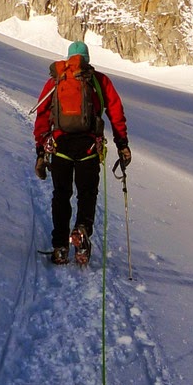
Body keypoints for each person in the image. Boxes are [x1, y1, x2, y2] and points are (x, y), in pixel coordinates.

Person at [33, 41, 131, 265]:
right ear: (87, 58)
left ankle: (60, 247)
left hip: (60, 146)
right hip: (88, 147)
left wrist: (41, 149)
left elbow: (42, 115)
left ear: (68, 58)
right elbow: (116, 111)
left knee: (61, 194)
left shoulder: (56, 80)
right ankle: (82, 232)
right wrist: (121, 143)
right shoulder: (98, 80)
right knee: (87, 194)